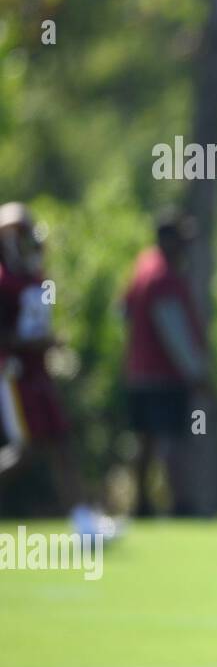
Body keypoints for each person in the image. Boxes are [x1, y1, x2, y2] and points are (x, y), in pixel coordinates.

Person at [0, 202, 112, 537]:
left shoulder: (34, 275)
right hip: (15, 374)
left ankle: (84, 521)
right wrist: (35, 343)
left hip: (39, 372)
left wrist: (46, 345)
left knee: (62, 442)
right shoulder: (3, 280)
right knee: (28, 451)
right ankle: (83, 521)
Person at [122, 209, 209, 517]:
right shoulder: (163, 276)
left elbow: (124, 310)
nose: (186, 246)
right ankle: (180, 502)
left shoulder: (144, 265)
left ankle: (142, 504)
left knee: (145, 439)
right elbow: (173, 330)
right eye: (181, 240)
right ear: (169, 240)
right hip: (164, 374)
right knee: (171, 438)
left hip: (138, 370)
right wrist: (196, 372)